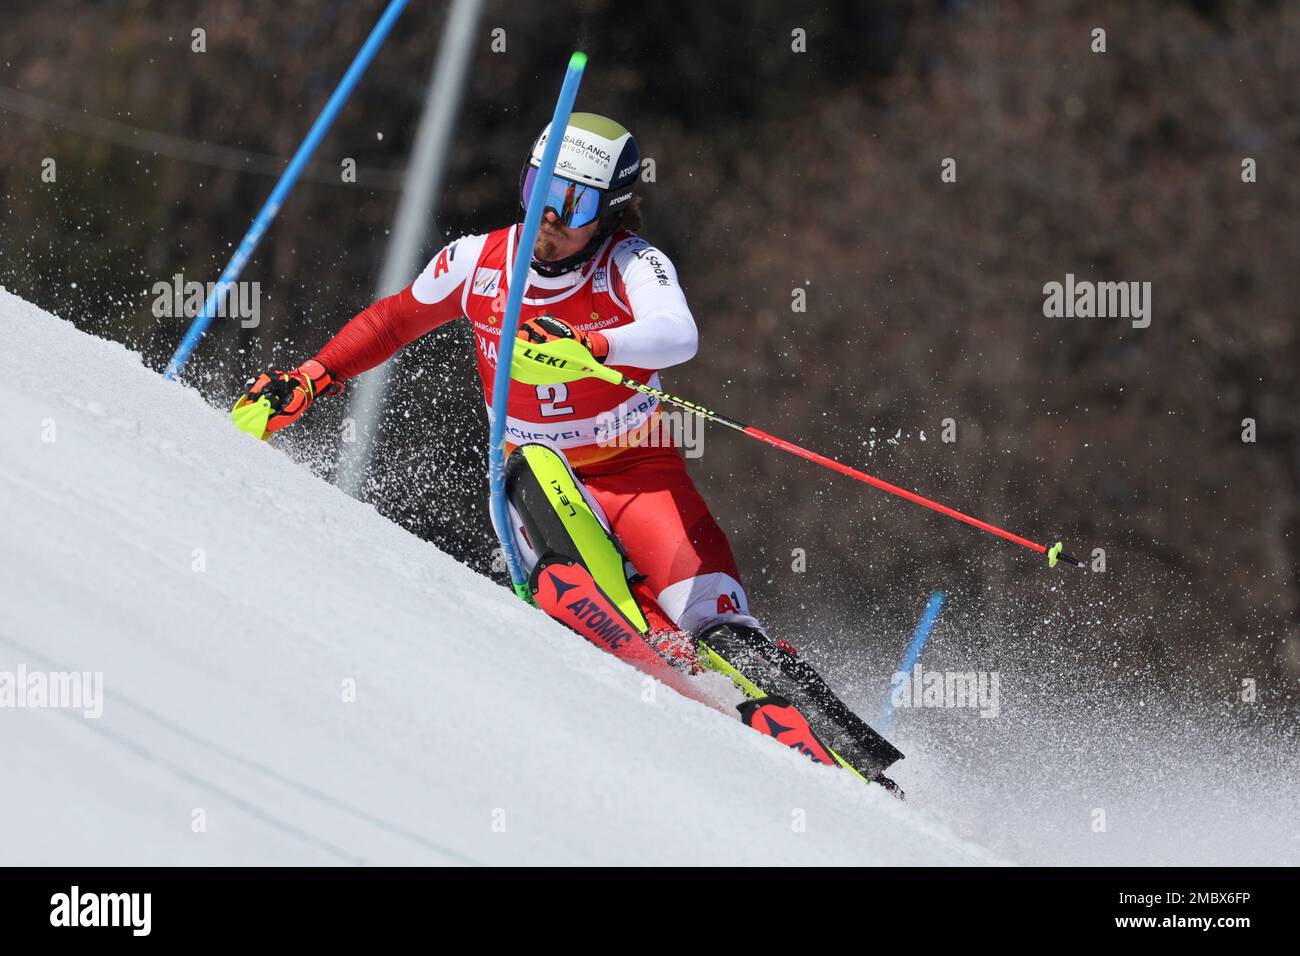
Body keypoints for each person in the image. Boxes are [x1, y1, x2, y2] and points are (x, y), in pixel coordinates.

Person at [232, 113, 903, 789]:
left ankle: (859, 766)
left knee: (718, 624)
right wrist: (313, 378)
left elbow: (677, 333)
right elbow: (396, 317)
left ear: (610, 211)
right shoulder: (479, 262)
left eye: (574, 202)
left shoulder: (632, 265)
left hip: (641, 471)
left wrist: (594, 347)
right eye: (538, 189)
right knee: (545, 483)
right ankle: (644, 631)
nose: (549, 217)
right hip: (534, 474)